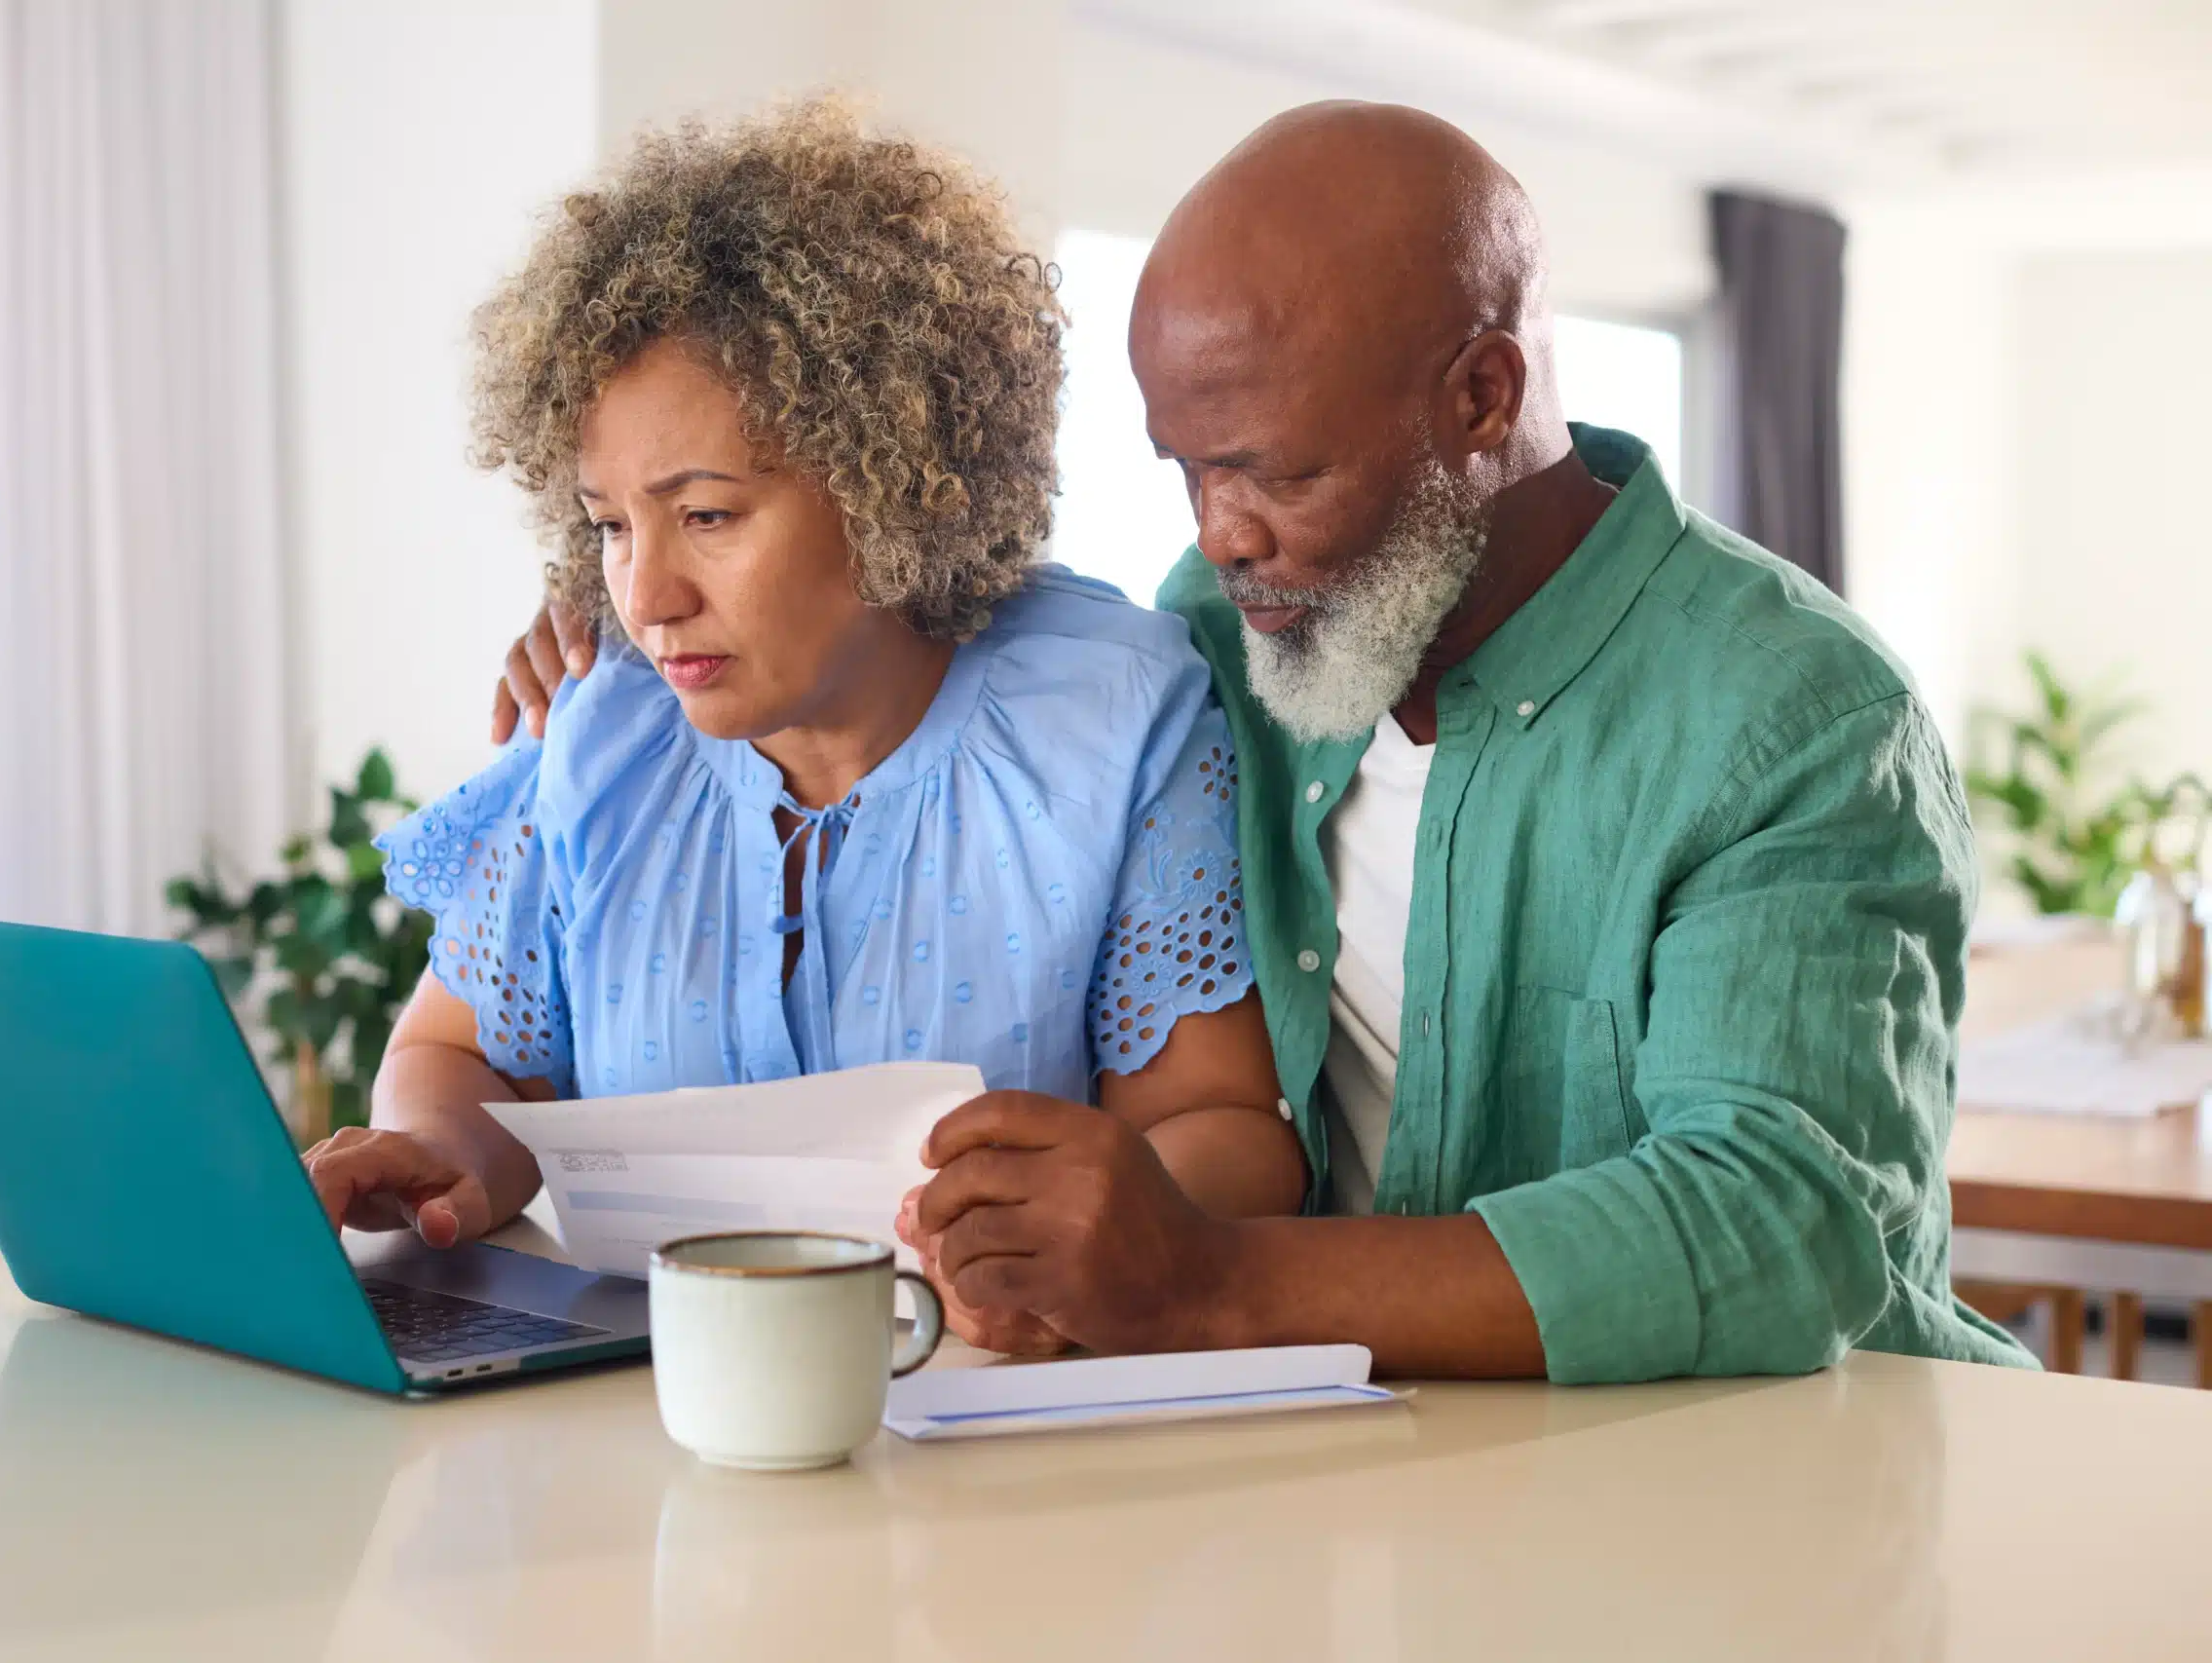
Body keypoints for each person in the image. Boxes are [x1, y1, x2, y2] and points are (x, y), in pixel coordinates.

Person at [503, 101, 2036, 1382]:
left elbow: (1775, 1226)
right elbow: (930, 634)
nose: (1219, 534)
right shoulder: (1225, 629)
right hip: (1379, 1478)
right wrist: (627, 649)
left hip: (1773, 1485)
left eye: (1273, 472)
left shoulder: (1797, 719)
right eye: (1182, 469)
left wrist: (1209, 1278)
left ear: (1482, 395)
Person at [303, 101, 1304, 1350]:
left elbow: (1222, 1132)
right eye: (610, 525)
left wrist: (1084, 1251)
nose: (646, 597)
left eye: (707, 516)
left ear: (896, 480)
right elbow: (464, 1056)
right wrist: (439, 1155)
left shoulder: (1111, 719)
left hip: (983, 1423)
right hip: (646, 1421)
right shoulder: (604, 728)